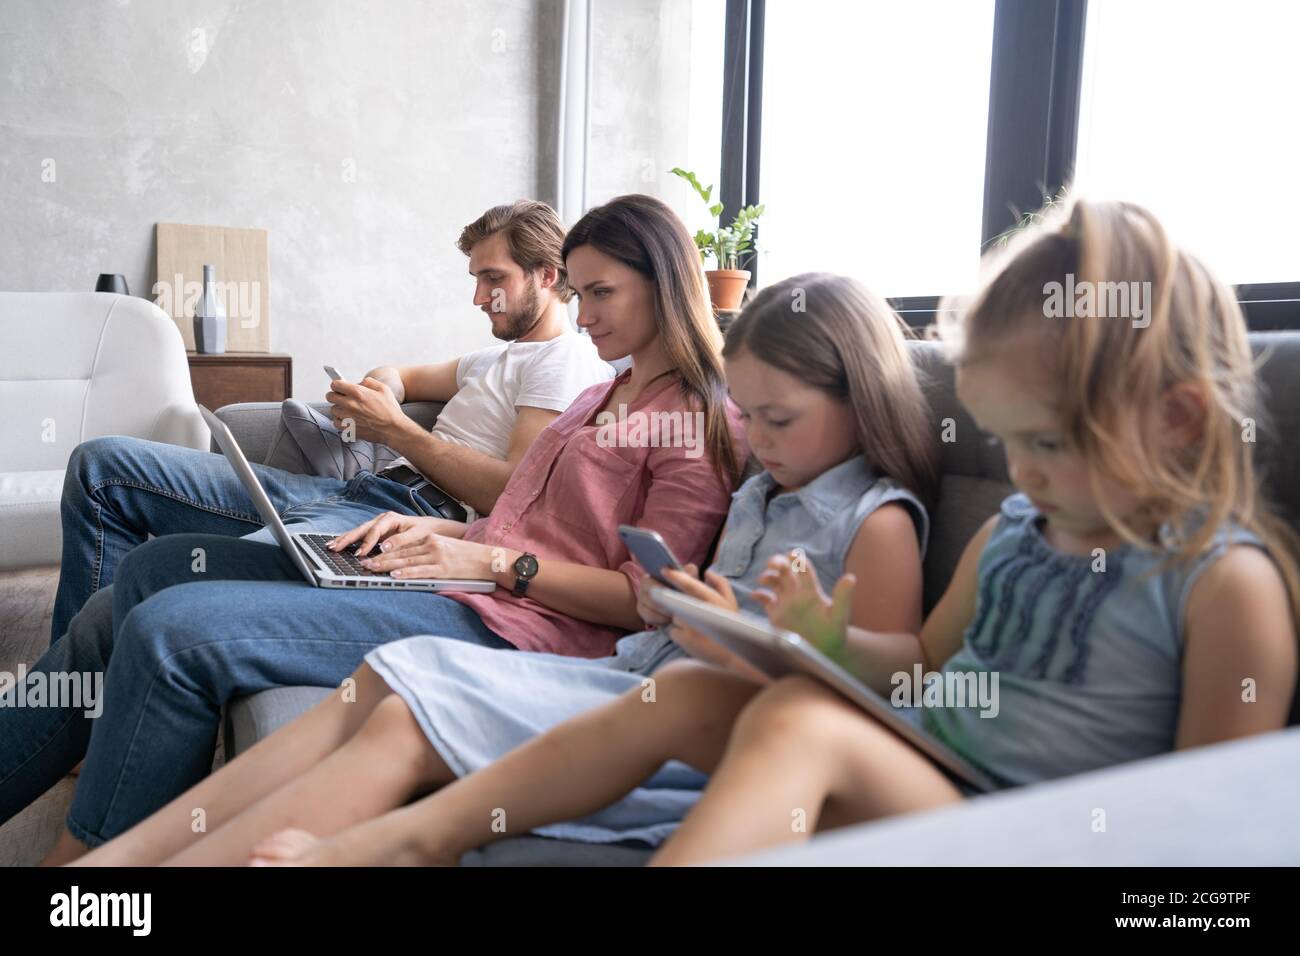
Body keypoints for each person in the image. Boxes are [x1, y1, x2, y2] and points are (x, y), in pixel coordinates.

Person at [71, 271, 942, 866]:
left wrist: (783, 633)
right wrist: (700, 608)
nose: (759, 440)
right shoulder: (752, 488)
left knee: (375, 700)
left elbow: (880, 681)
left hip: (649, 687)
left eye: (777, 420)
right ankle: (123, 865)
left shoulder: (873, 518)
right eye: (751, 415)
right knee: (367, 668)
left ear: (857, 394)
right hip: (644, 668)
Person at [0, 194, 746, 864]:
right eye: (581, 294)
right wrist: (429, 528)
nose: (584, 316)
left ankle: (78, 875)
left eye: (602, 293)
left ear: (664, 282)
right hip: (460, 574)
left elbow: (646, 601)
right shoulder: (610, 387)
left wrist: (489, 561)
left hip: (517, 626)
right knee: (149, 572)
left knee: (171, 632)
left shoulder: (693, 420)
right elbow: (535, 511)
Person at [50, 199, 612, 639]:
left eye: (494, 280)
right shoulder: (496, 356)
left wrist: (395, 429)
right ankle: (79, 685)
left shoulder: (562, 364)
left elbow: (512, 495)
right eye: (475, 279)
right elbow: (404, 375)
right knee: (101, 467)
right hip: (354, 491)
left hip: (403, 518)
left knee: (162, 575)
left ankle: (84, 703)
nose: (477, 297)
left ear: (544, 275)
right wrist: (377, 393)